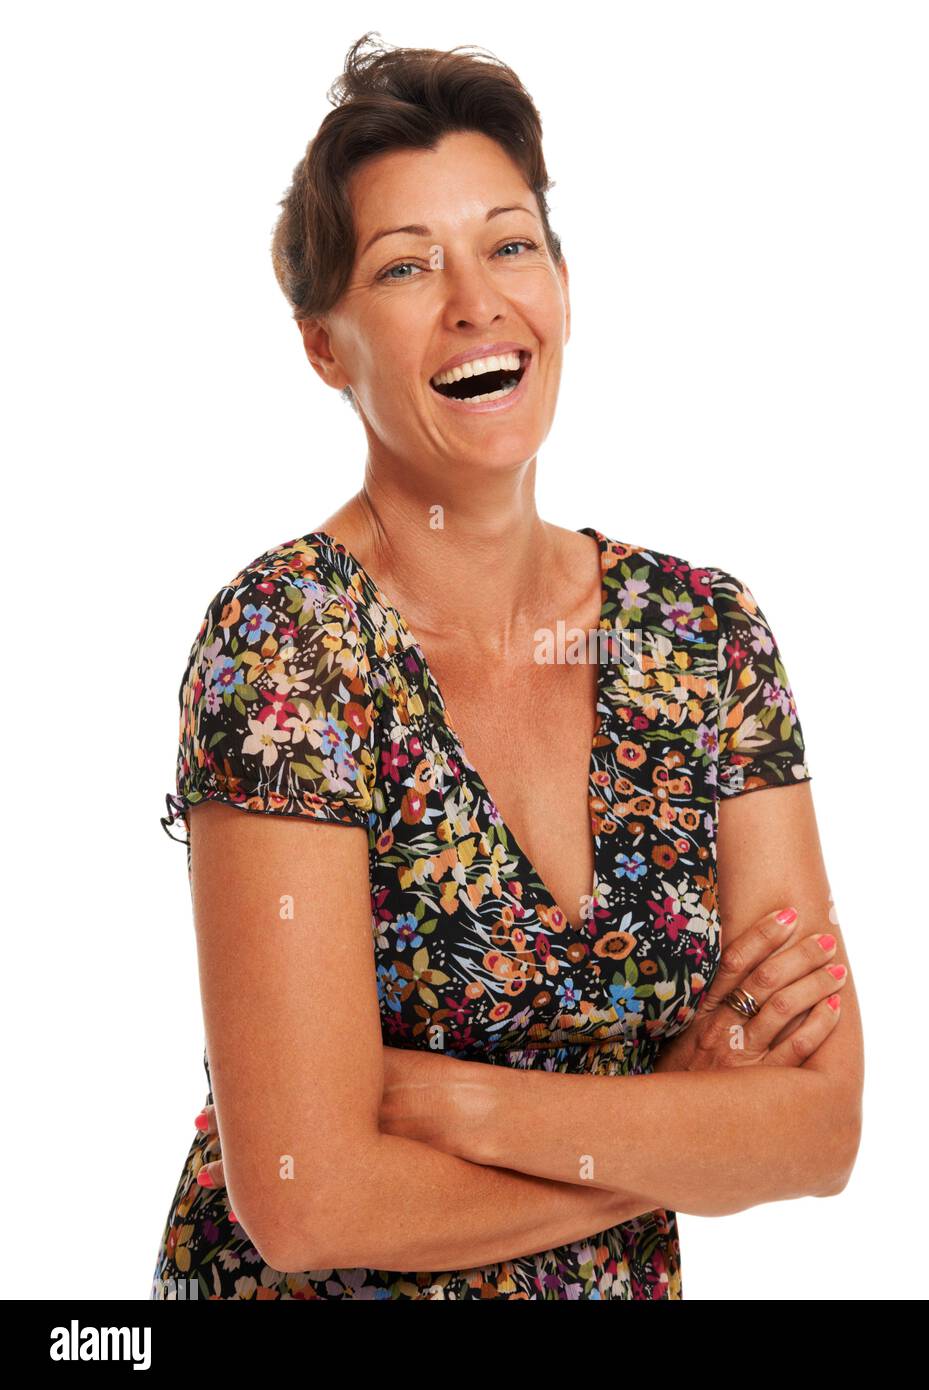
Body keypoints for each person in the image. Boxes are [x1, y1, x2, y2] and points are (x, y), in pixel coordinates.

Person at [150, 33, 863, 1301]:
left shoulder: (702, 638)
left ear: (564, 286)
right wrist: (678, 1131)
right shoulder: (288, 647)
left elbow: (815, 1130)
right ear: (325, 347)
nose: (475, 300)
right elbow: (309, 1205)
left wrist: (457, 1103)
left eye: (509, 243)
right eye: (405, 265)